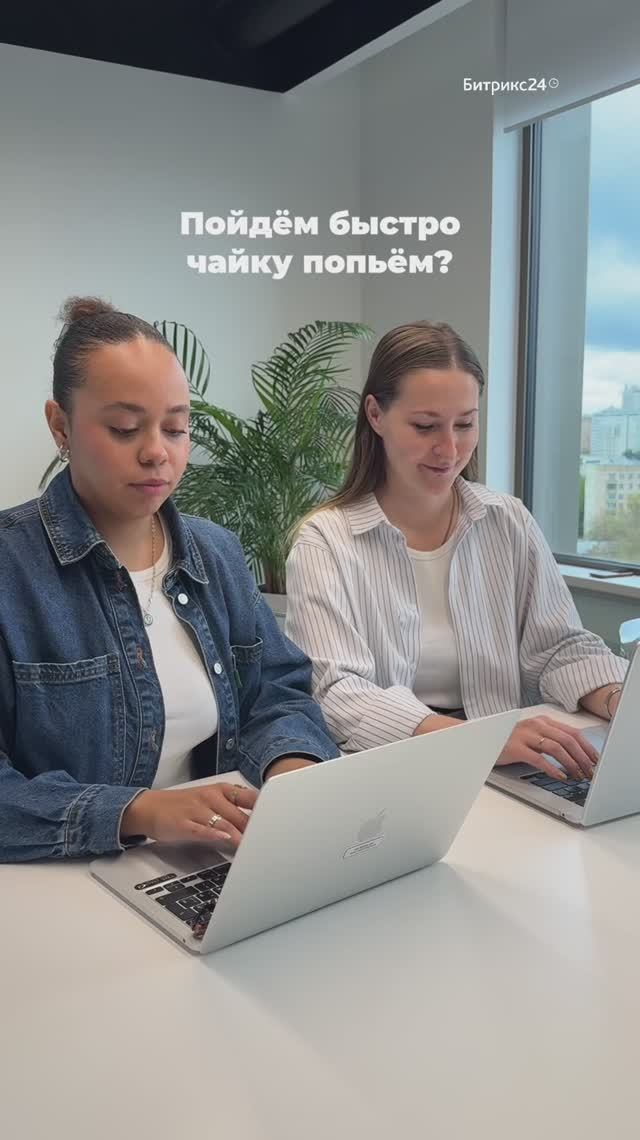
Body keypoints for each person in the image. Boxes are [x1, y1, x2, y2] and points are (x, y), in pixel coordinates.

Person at [0, 297, 339, 863]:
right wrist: (138, 812)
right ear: (60, 425)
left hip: (210, 858)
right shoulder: (12, 571)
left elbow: (276, 692)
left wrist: (291, 766)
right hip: (59, 876)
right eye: (125, 428)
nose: (157, 452)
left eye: (177, 428)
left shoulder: (215, 553)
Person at [285, 321, 627, 779]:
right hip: (393, 772)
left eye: (465, 424)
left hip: (507, 766)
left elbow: (557, 648)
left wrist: (618, 698)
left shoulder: (508, 521)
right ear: (375, 415)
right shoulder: (325, 541)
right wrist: (478, 740)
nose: (448, 449)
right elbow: (337, 694)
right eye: (425, 426)